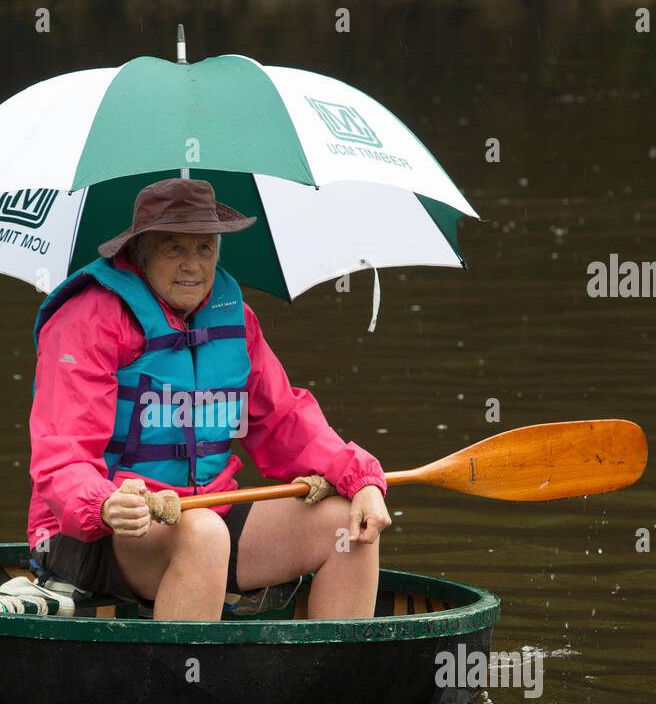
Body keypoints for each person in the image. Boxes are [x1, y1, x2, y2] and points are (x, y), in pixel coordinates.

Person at [27, 178, 390, 620]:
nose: (192, 266)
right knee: (203, 534)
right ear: (140, 252)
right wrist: (103, 502)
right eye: (173, 248)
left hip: (207, 513)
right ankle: (181, 684)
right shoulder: (87, 317)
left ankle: (331, 681)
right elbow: (61, 454)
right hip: (95, 532)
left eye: (204, 248)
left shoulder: (233, 318)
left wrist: (362, 478)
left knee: (348, 524)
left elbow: (283, 420)